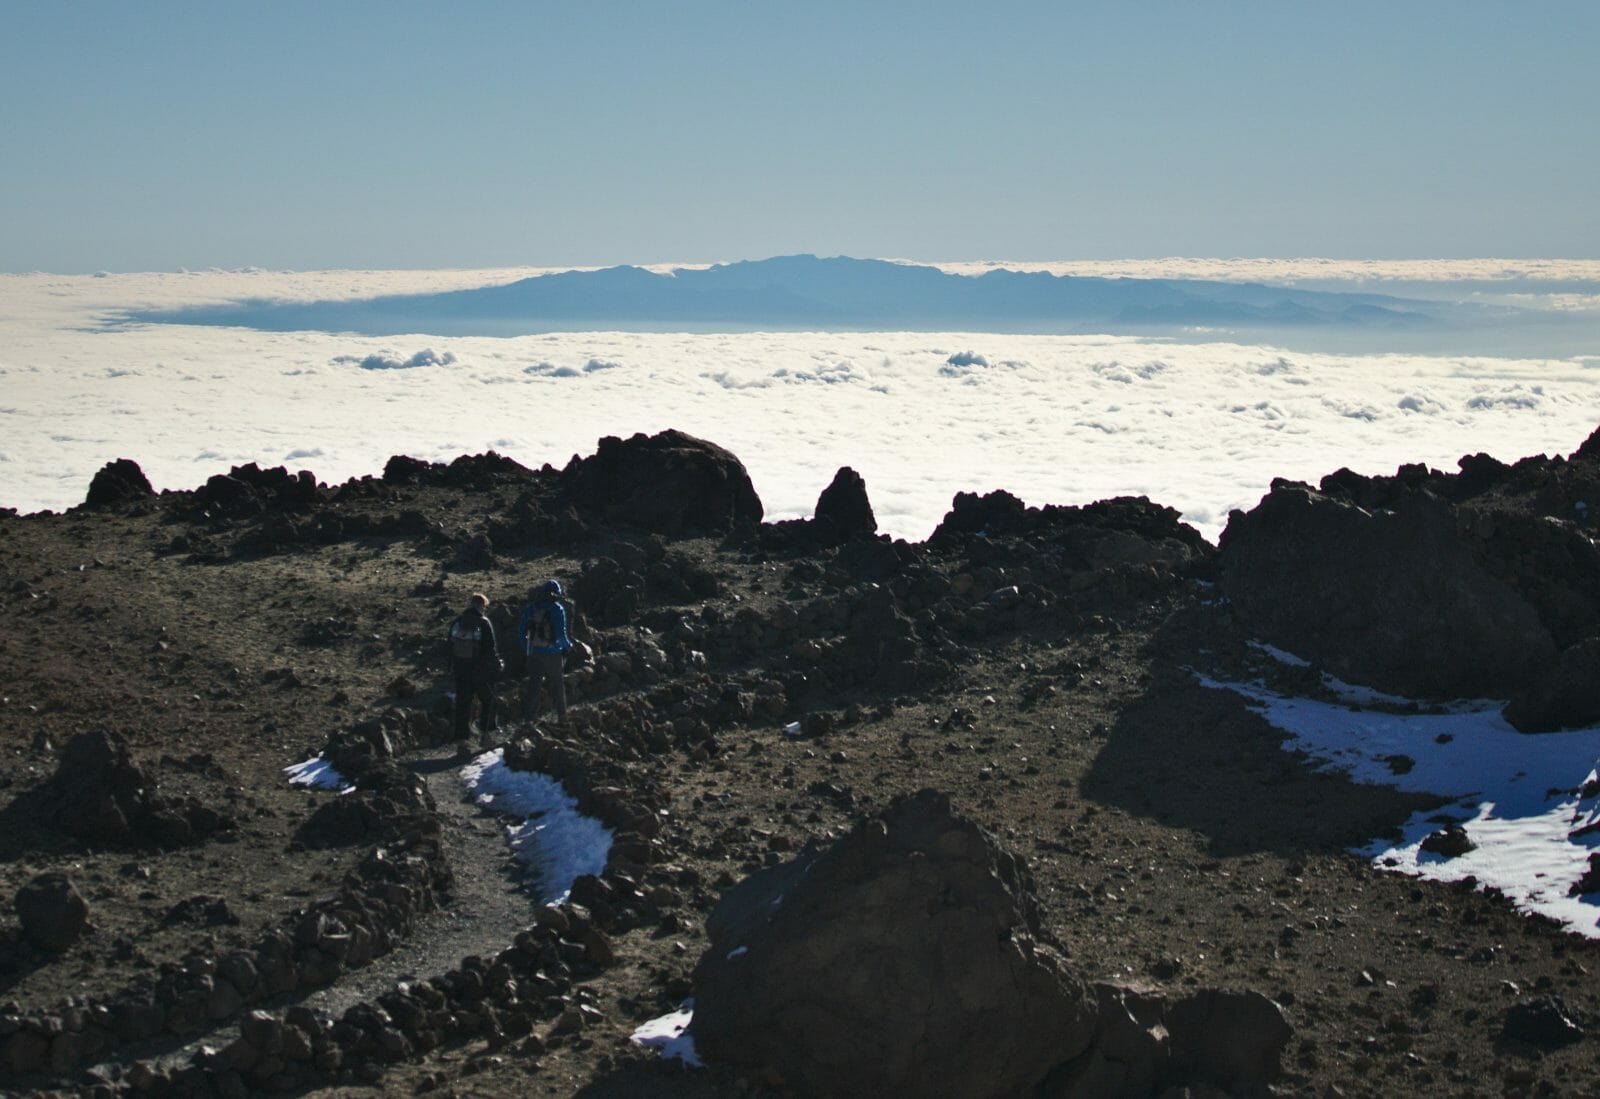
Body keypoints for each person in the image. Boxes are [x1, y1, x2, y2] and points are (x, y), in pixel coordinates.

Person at [448, 592, 502, 746]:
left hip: (461, 671)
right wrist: (495, 666)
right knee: (489, 701)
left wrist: (452, 667)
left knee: (463, 704)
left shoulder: (458, 622)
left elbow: (449, 645)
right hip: (480, 672)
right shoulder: (484, 622)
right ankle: (485, 736)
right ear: (482, 606)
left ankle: (461, 741)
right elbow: (491, 648)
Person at [519, 579, 572, 721]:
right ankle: (562, 716)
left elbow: (521, 631)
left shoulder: (531, 608)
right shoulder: (557, 609)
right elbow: (561, 634)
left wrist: (528, 650)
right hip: (553, 654)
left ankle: (529, 719)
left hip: (534, 653)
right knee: (557, 685)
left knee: (534, 685)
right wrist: (568, 647)